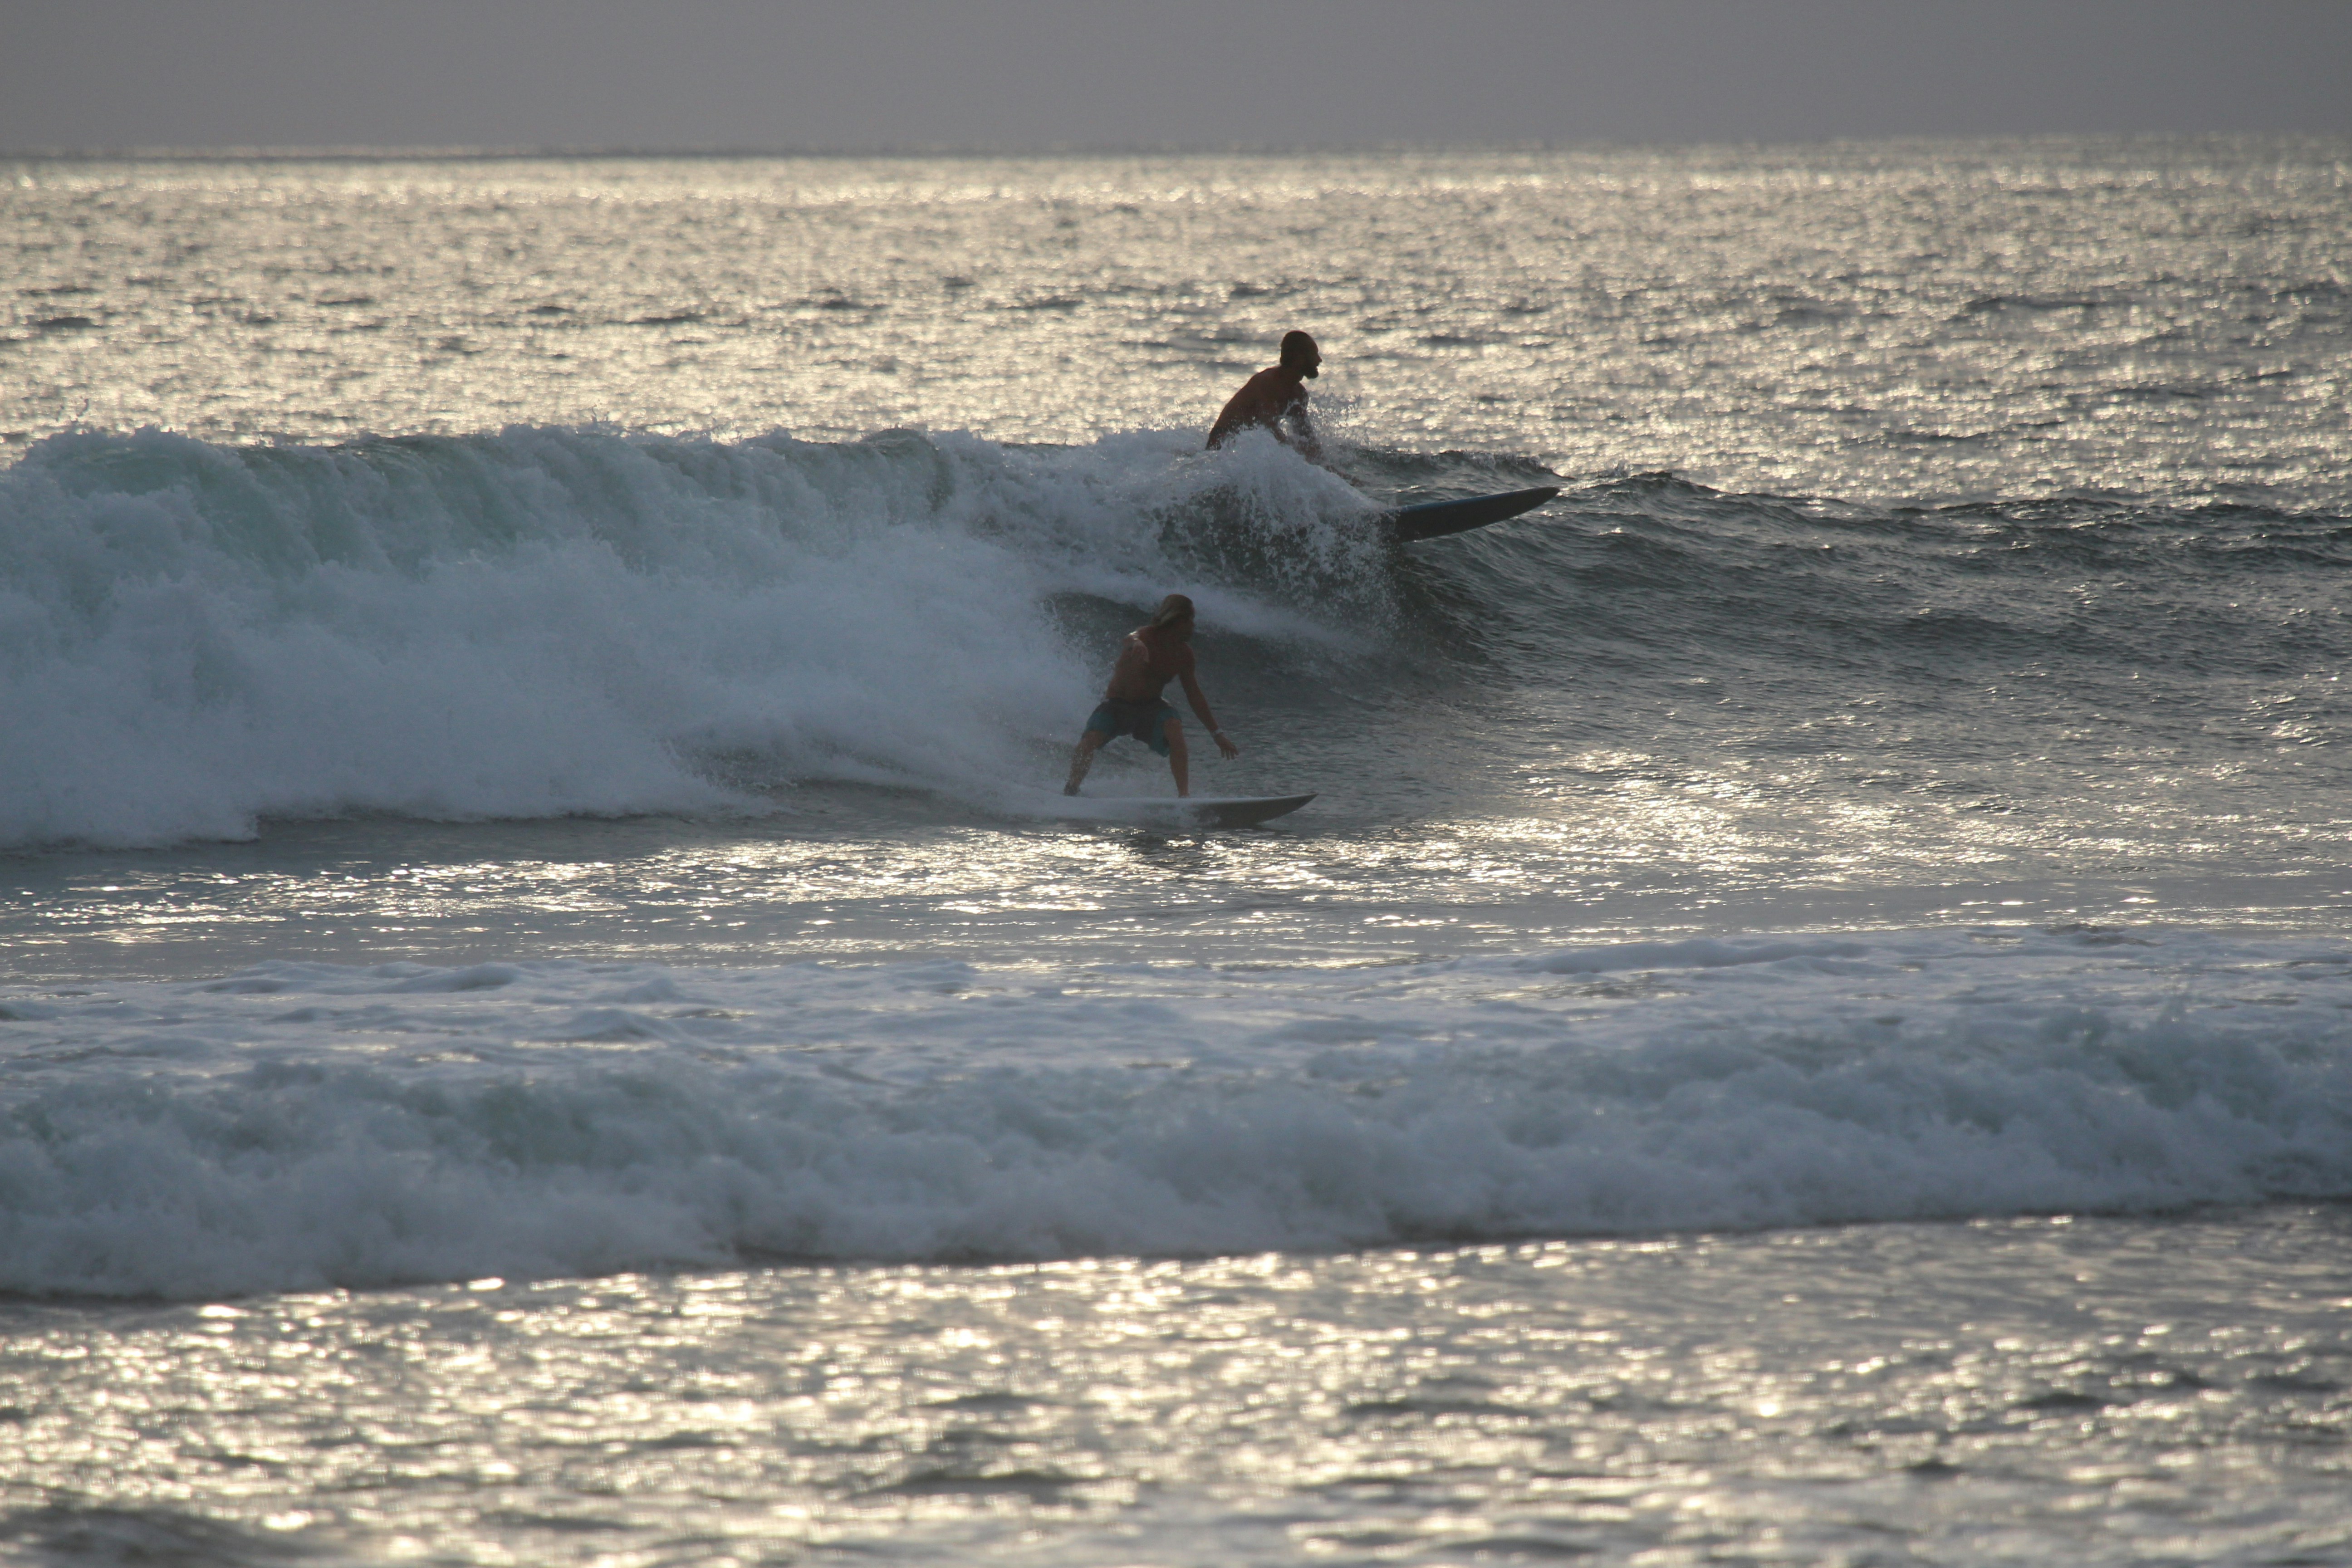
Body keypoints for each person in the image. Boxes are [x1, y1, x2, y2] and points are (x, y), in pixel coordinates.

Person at [1064, 594, 1241, 797]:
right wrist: (1137, 643)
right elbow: (1131, 638)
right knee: (1090, 739)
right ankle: (1071, 789)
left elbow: (1194, 695)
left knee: (1173, 725)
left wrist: (1217, 734)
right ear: (1176, 620)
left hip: (1150, 708)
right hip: (1117, 705)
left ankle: (1184, 797)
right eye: (1189, 620)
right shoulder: (1145, 637)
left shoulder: (1184, 655)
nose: (1193, 626)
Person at [1205, 329, 1322, 456]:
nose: (1319, 360)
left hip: (1248, 448)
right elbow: (1270, 432)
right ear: (1299, 358)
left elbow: (1309, 442)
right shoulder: (1267, 384)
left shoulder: (1300, 395)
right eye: (1314, 354)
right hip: (1223, 443)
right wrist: (1299, 457)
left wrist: (1331, 471)